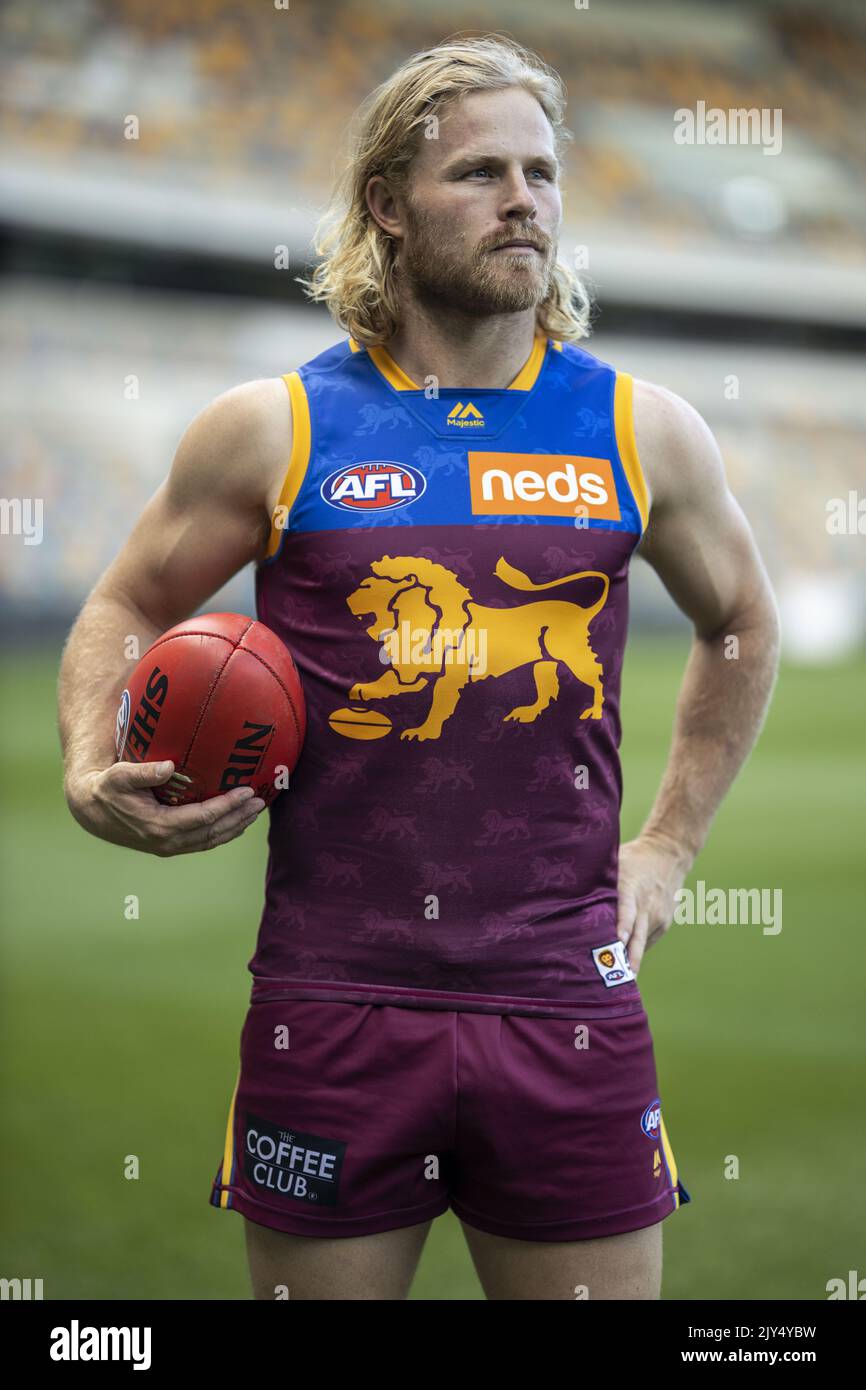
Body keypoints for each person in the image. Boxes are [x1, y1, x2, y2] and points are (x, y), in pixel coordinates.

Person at [59, 34, 780, 1300]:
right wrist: (84, 764)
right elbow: (124, 598)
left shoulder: (637, 428)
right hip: (329, 1001)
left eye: (543, 174)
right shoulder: (275, 427)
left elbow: (742, 625)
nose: (525, 202)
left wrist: (664, 847)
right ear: (385, 206)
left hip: (564, 993)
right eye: (482, 173)